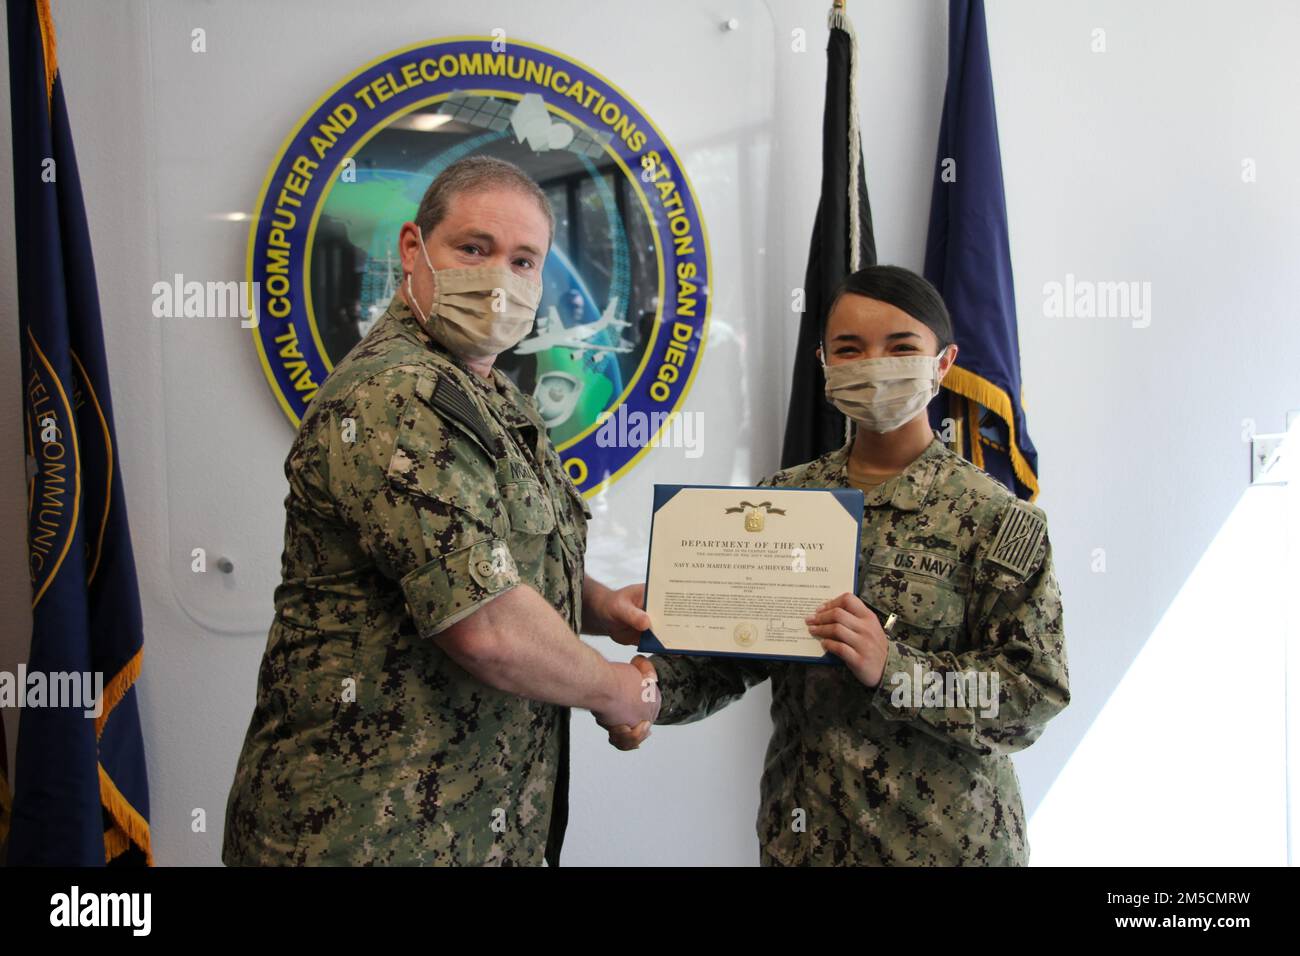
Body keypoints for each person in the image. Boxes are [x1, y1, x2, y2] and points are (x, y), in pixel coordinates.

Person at [223, 156, 656, 866]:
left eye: (524, 261)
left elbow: (498, 557)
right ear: (412, 249)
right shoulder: (397, 395)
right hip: (366, 833)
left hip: (467, 822)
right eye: (474, 248)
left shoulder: (491, 397)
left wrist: (604, 606)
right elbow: (485, 626)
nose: (499, 279)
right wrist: (617, 690)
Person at [608, 264, 1070, 866]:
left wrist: (895, 668)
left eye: (901, 347)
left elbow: (1031, 695)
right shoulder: (783, 500)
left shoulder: (996, 519)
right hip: (802, 843)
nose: (874, 363)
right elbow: (726, 657)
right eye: (850, 349)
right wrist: (647, 694)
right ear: (825, 362)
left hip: (942, 849)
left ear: (944, 362)